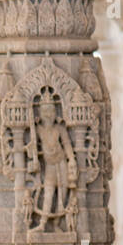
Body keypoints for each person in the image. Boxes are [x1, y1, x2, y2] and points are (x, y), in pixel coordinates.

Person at [32, 97, 76, 231]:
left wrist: (72, 159)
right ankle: (43, 223)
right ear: (40, 112)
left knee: (62, 192)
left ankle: (57, 223)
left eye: (50, 111)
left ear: (54, 112)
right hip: (50, 165)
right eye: (44, 111)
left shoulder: (59, 129)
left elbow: (67, 144)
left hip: (61, 162)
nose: (48, 114)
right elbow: (32, 141)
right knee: (49, 191)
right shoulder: (39, 130)